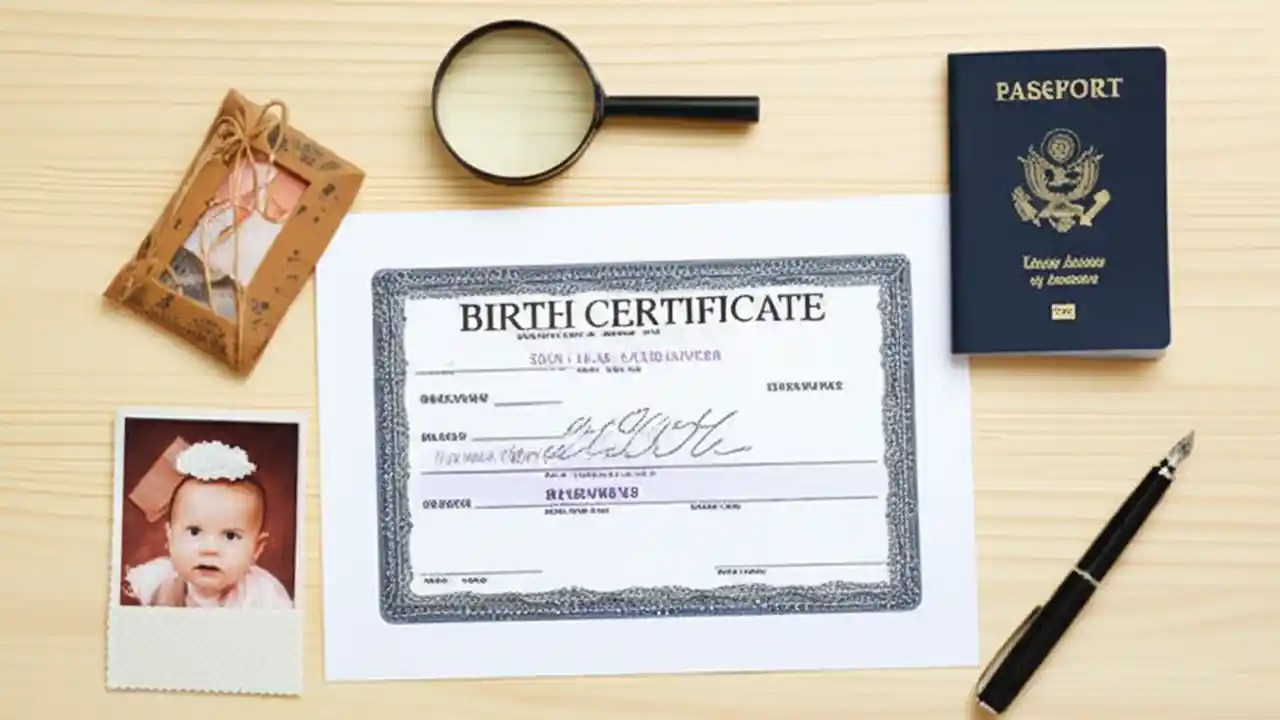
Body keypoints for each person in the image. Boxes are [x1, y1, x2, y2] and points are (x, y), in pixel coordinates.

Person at [123, 440, 293, 609]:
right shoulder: (159, 576)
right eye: (195, 532)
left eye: (230, 536)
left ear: (256, 549)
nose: (209, 549)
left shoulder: (264, 596)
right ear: (170, 538)